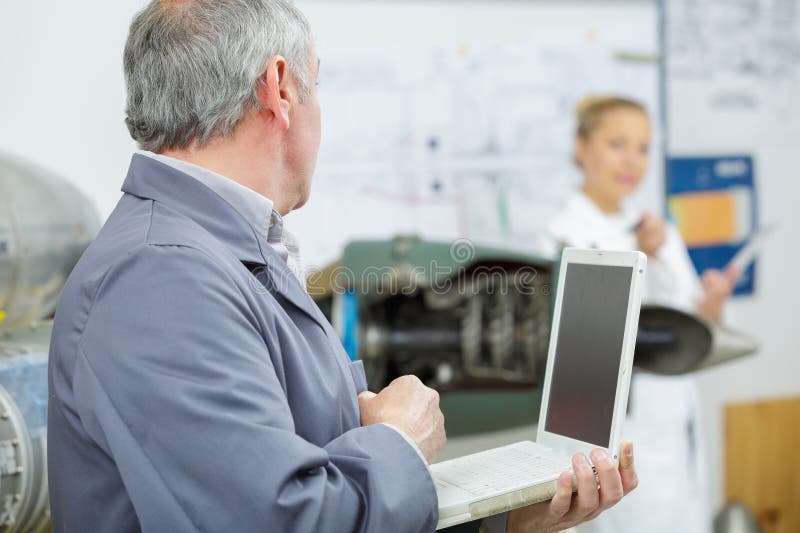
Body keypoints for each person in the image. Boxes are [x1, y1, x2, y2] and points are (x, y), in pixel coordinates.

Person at [47, 3, 638, 532]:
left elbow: (313, 478)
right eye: (317, 85)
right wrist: (399, 440)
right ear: (279, 88)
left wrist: (502, 525)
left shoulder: (226, 252)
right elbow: (284, 522)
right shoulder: (162, 278)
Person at [545, 96, 738, 533]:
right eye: (617, 144)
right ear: (581, 146)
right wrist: (645, 258)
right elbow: (580, 347)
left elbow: (687, 326)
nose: (632, 161)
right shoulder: (559, 237)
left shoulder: (658, 231)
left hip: (676, 421)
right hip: (620, 429)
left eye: (643, 148)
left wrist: (710, 309)